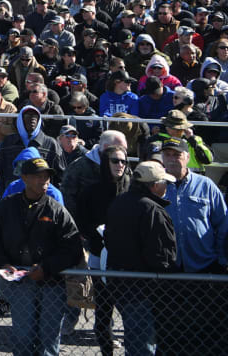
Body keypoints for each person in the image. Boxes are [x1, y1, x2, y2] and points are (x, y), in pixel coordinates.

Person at [0, 157, 84, 356]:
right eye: (39, 176)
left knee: (49, 340)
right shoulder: (6, 207)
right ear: (24, 178)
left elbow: (73, 247)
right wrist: (3, 265)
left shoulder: (57, 210)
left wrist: (47, 268)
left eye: (47, 177)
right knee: (22, 338)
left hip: (52, 284)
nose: (44, 181)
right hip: (20, 283)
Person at [157, 136, 228, 353]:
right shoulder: (155, 186)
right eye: (167, 155)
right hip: (168, 273)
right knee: (168, 332)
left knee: (206, 332)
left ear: (187, 157)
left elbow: (223, 224)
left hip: (204, 272)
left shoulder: (206, 186)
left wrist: (221, 260)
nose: (171, 160)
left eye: (176, 155)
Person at [103, 161, 179, 356]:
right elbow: (162, 257)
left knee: (136, 341)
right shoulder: (153, 210)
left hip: (120, 284)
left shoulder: (119, 202)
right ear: (153, 185)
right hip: (146, 289)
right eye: (164, 182)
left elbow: (109, 240)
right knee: (144, 345)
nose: (167, 186)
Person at [76, 139, 131, 356]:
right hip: (100, 256)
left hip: (128, 259)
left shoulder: (132, 188)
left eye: (124, 161)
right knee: (103, 315)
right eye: (115, 161)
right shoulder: (91, 191)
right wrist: (98, 235)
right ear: (105, 163)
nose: (120, 165)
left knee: (132, 316)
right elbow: (82, 220)